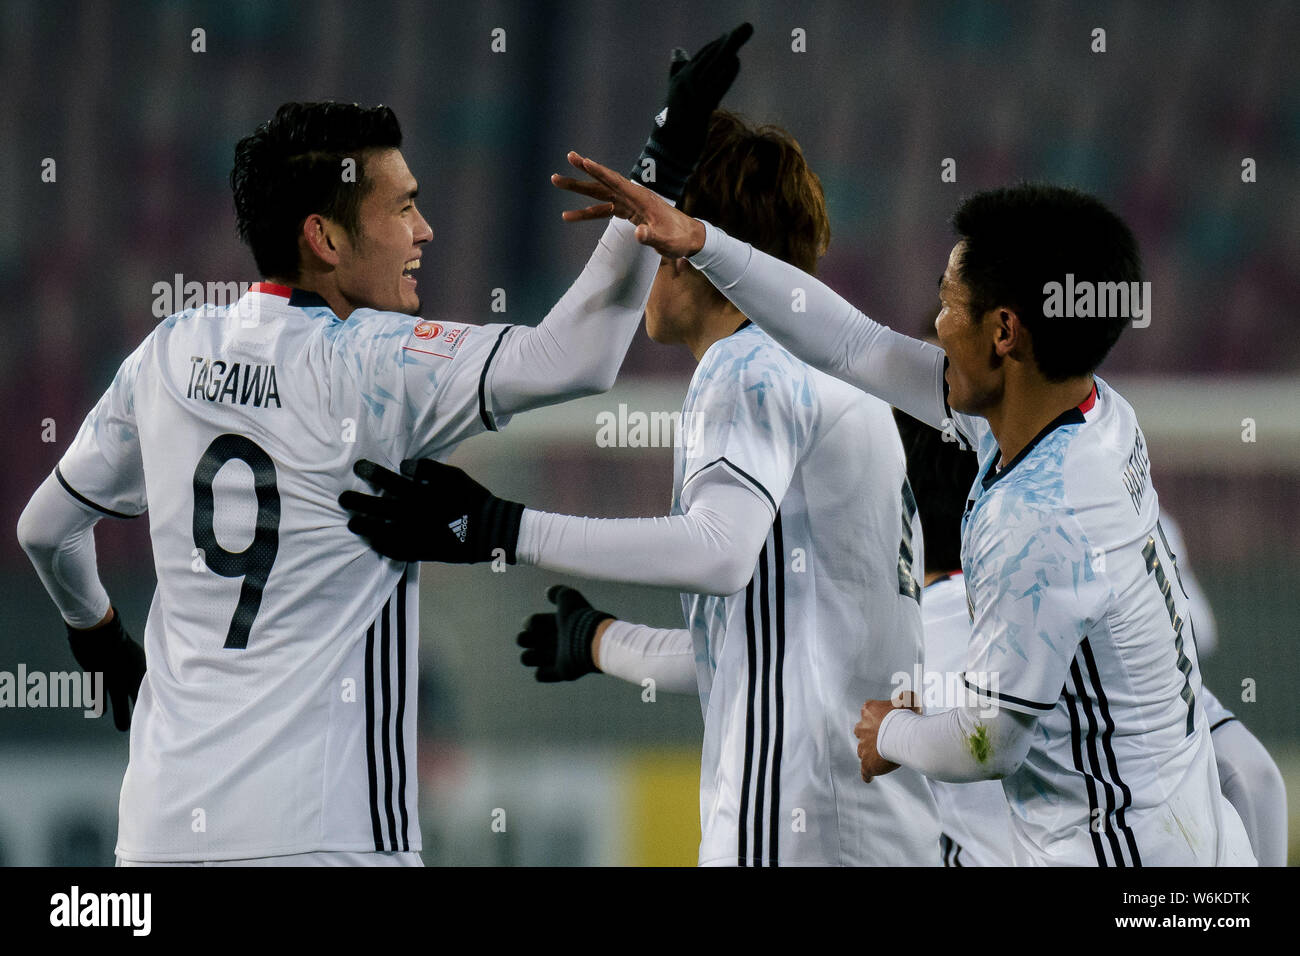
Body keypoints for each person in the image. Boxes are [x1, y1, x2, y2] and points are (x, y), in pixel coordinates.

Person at [14, 24, 751, 866]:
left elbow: (45, 528)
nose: (426, 231)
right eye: (401, 209)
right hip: (328, 841)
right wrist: (659, 164)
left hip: (158, 841)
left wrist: (99, 635)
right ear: (325, 239)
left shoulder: (169, 353)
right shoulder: (374, 365)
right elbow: (578, 357)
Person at [406, 158, 1256, 866]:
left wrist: (891, 735)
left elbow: (989, 743)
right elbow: (850, 342)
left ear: (1004, 332)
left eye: (950, 303)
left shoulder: (1040, 519)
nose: (933, 322)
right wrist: (702, 239)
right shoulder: (1091, 416)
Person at [341, 112, 940, 866]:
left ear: (682, 244)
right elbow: (764, 648)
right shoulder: (836, 385)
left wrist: (501, 526)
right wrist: (602, 642)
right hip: (876, 827)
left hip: (794, 823)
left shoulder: (746, 364)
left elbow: (717, 553)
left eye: (641, 236)